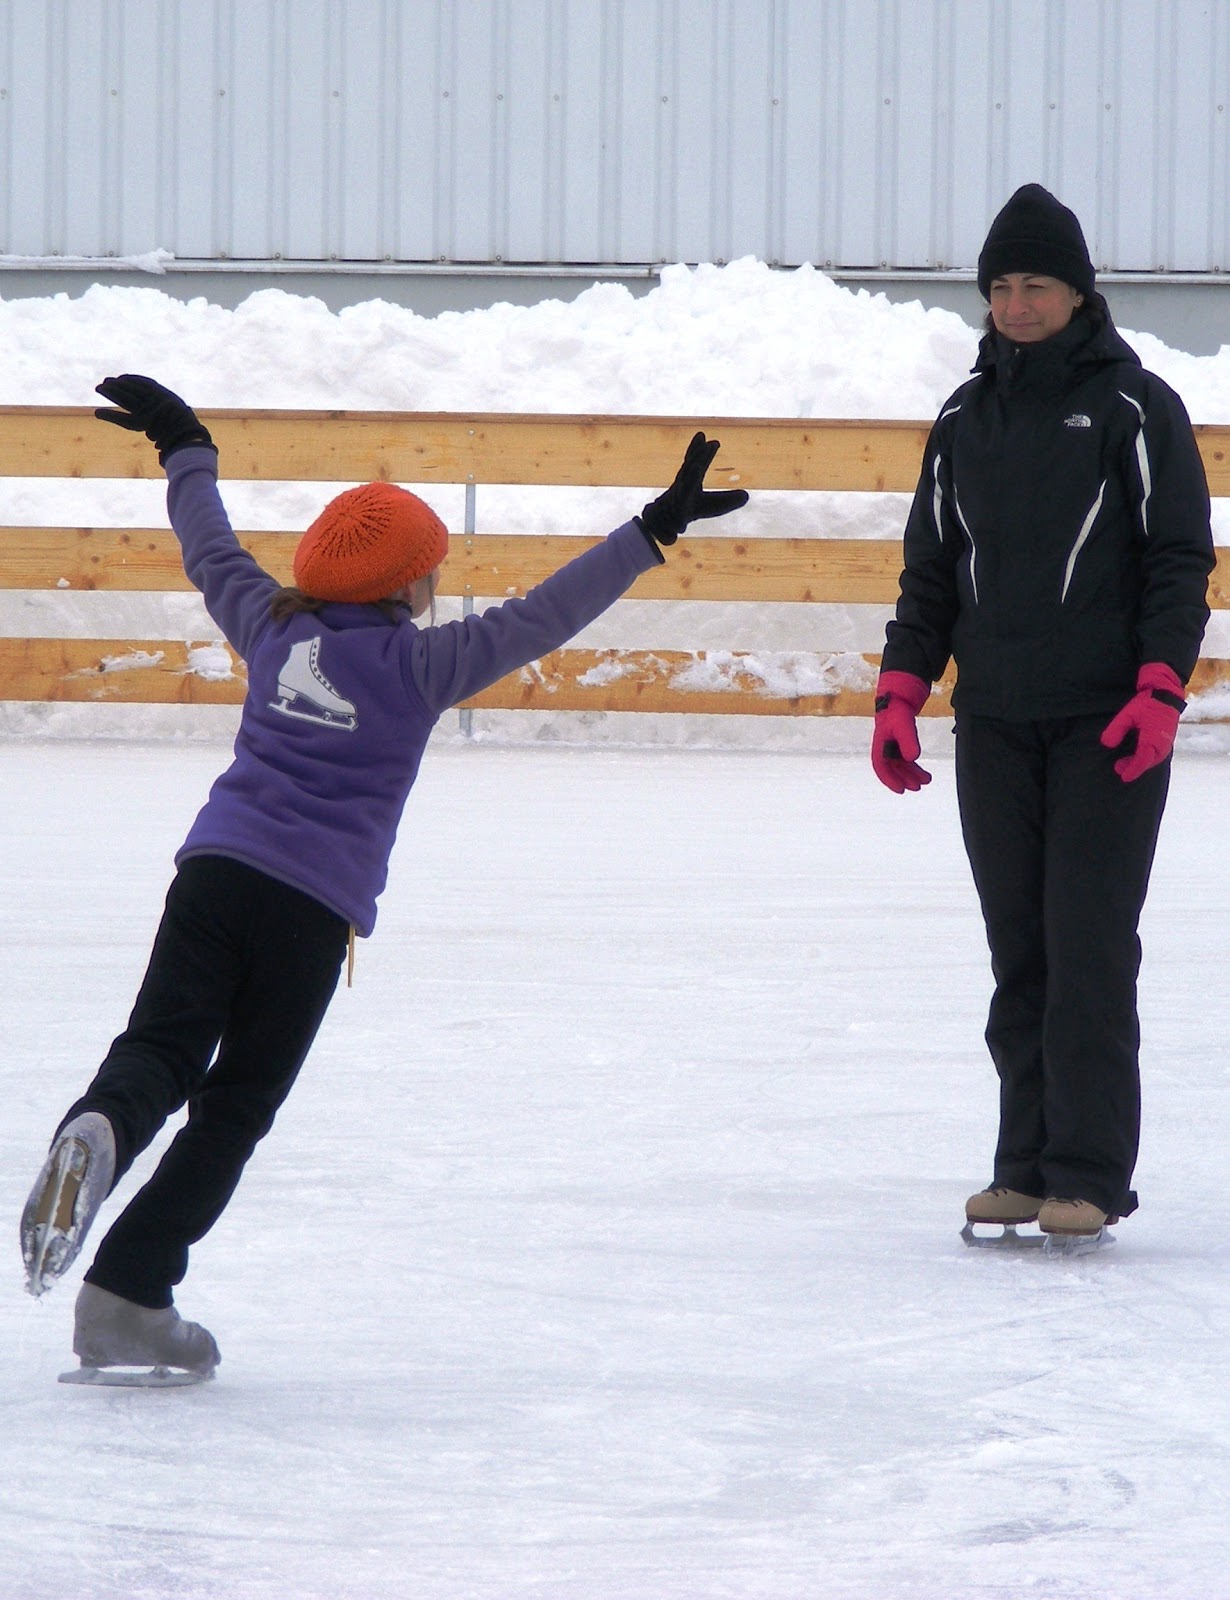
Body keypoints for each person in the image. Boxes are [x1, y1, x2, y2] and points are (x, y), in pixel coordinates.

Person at [21, 375, 748, 1379]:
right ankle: (130, 1291)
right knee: (233, 1109)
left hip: (215, 874)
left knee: (159, 1047)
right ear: (410, 586)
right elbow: (547, 615)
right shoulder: (424, 665)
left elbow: (208, 546)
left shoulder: (272, 625)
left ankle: (97, 1128)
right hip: (308, 913)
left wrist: (185, 442)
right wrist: (652, 528)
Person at [871, 184, 1214, 1247]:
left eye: (1037, 285)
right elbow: (932, 569)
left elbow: (1177, 559)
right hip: (1000, 726)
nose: (1017, 304)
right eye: (1002, 287)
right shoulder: (964, 418)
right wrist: (901, 687)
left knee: (1089, 947)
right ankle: (1024, 1164)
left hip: (1108, 725)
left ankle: (1089, 1173)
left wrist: (1161, 686)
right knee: (1020, 951)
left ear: (1078, 293)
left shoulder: (1133, 408)